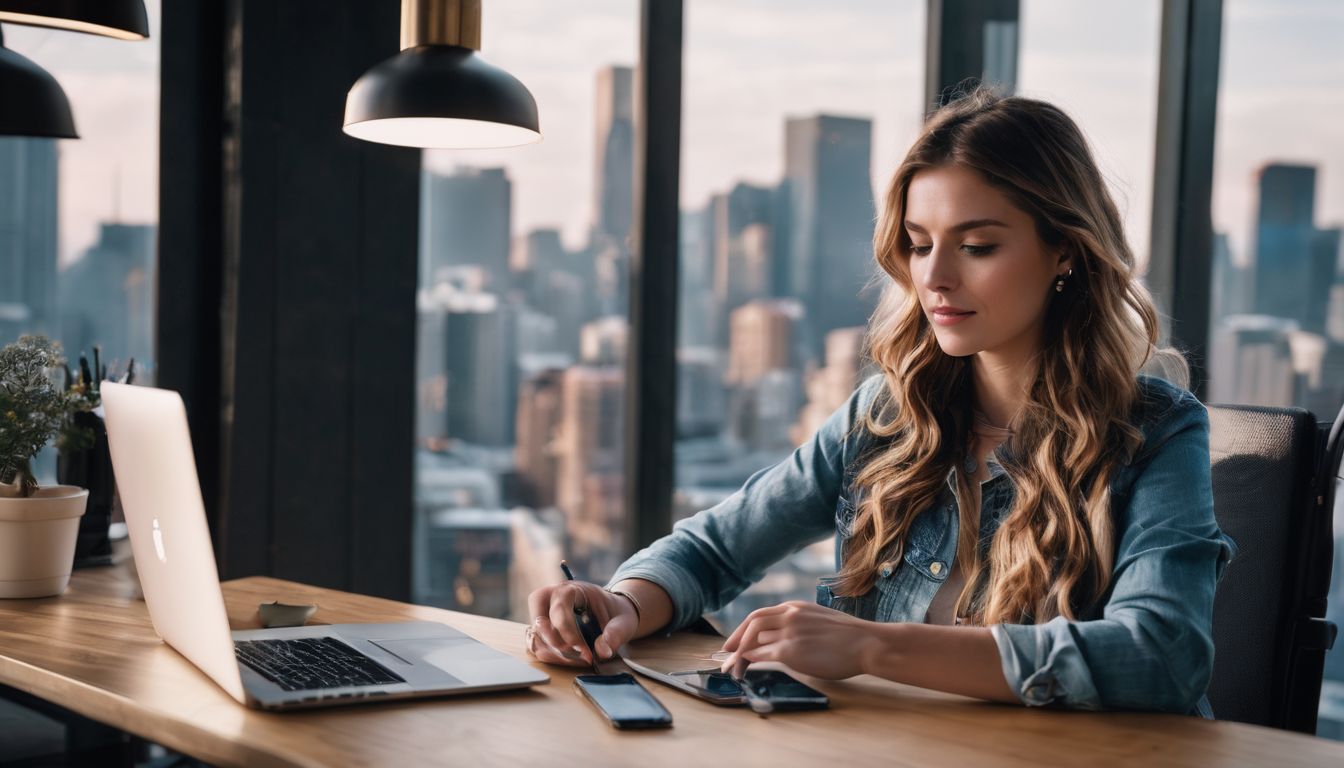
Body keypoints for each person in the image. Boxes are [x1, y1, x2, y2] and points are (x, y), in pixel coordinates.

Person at [524, 85, 1235, 715]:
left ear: (1066, 252)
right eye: (919, 244)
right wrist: (620, 603)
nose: (935, 278)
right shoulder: (885, 416)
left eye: (978, 246)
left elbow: (1162, 654)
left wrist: (871, 647)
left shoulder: (1158, 431)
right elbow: (713, 551)